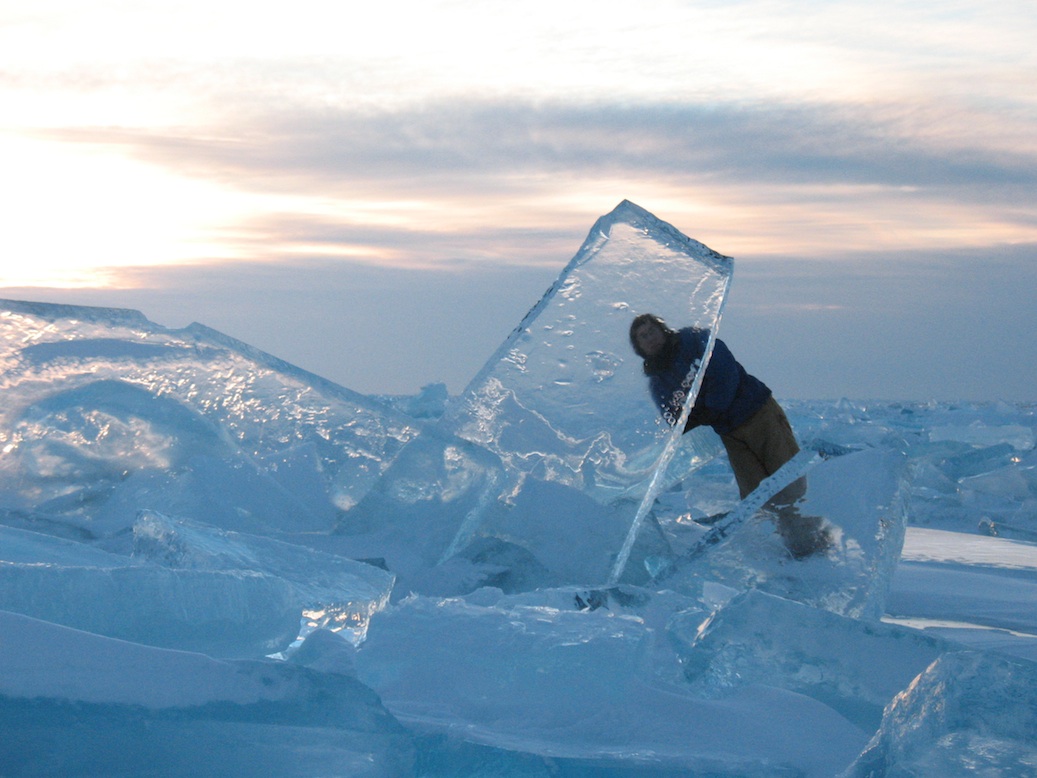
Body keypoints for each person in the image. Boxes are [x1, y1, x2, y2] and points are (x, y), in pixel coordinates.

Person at [629, 313, 830, 558]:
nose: (650, 339)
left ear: (663, 330)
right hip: (731, 434)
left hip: (758, 414)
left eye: (652, 331)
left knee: (789, 482)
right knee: (757, 496)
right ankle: (790, 549)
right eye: (642, 337)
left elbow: (724, 376)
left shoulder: (696, 341)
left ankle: (817, 546)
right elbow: (676, 420)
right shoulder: (659, 382)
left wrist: (707, 411)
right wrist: (695, 423)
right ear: (638, 347)